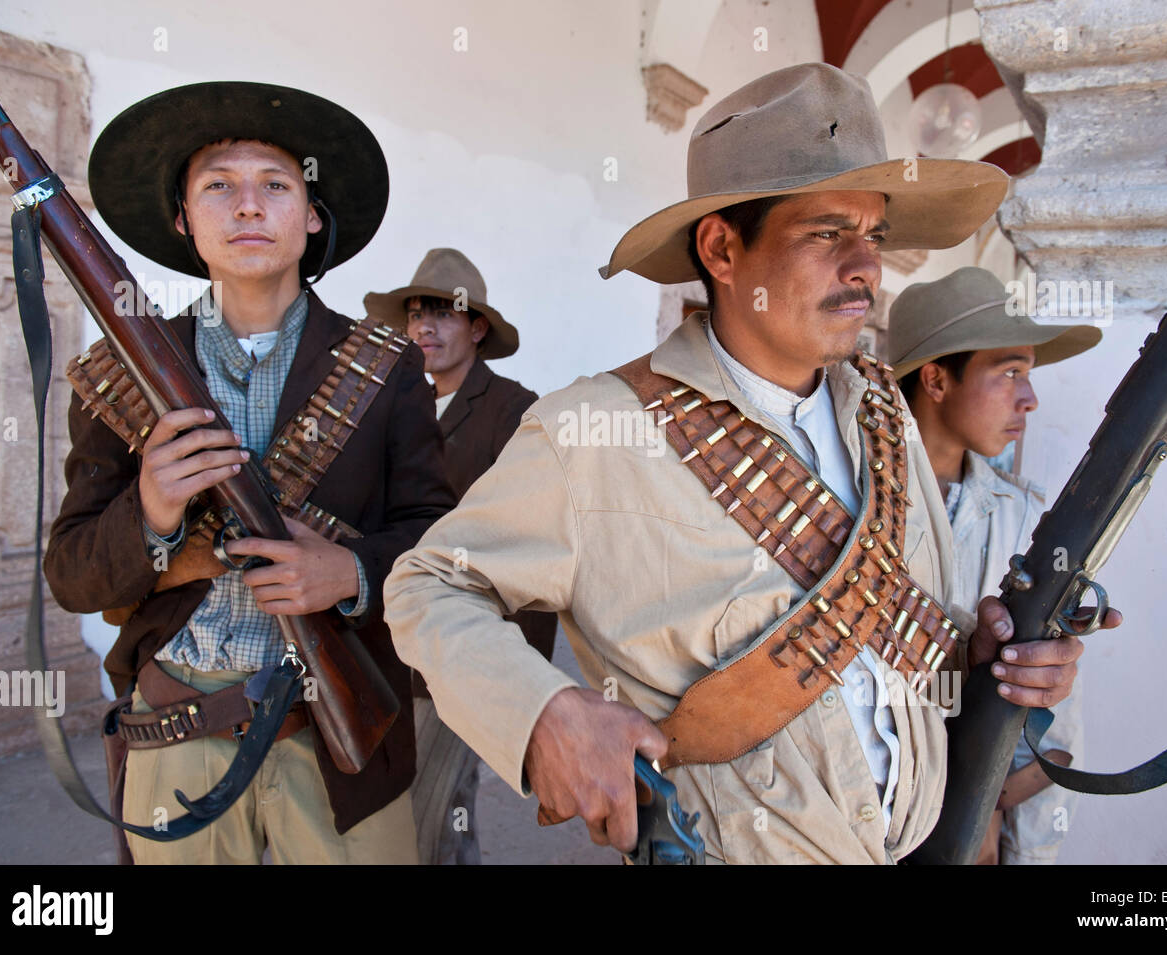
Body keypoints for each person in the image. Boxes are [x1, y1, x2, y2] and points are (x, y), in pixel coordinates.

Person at [385, 63, 1114, 864]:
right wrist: (546, 711)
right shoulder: (595, 428)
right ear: (723, 248)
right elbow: (428, 584)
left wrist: (982, 656)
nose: (866, 266)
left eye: (872, 235)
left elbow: (905, 628)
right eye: (827, 232)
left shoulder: (882, 412)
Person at [43, 81, 456, 864]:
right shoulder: (121, 374)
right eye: (217, 187)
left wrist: (349, 571)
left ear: (310, 216)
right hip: (177, 730)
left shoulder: (388, 368)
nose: (247, 207)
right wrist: (153, 511)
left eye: (275, 185)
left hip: (340, 742)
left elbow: (440, 543)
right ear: (183, 221)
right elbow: (72, 578)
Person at [888, 266, 1102, 864]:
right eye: (1009, 372)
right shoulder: (850, 509)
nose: (1029, 398)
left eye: (1027, 375)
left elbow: (1054, 736)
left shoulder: (1030, 522)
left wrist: (1022, 855)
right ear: (935, 379)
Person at [364, 248, 557, 864]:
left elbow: (534, 537)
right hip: (387, 648)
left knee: (431, 818)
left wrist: (516, 674)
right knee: (411, 816)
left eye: (445, 314)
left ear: (477, 328)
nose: (426, 327)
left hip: (468, 650)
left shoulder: (514, 411)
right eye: (417, 314)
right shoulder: (393, 407)